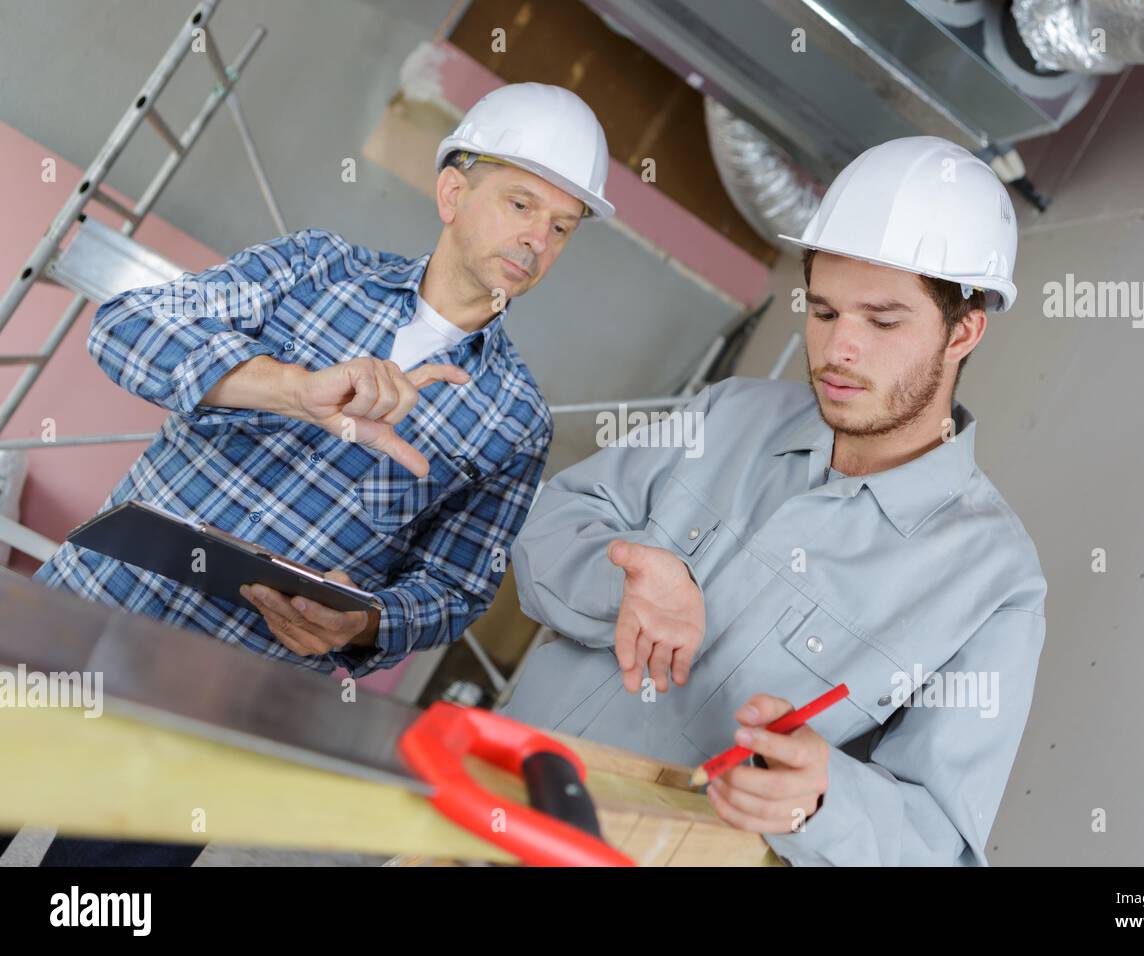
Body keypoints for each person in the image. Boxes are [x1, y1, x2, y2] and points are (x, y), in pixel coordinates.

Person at [15, 82, 614, 866]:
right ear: (452, 191)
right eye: (521, 204)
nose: (538, 240)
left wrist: (366, 622)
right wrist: (289, 386)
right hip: (83, 623)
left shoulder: (517, 419)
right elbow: (128, 327)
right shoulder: (314, 268)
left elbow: (457, 586)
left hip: (218, 707)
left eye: (563, 227)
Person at [500, 136, 1048, 866]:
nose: (839, 349)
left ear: (963, 330)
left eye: (882, 321)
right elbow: (545, 525)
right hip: (487, 799)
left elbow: (941, 846)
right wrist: (618, 585)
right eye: (823, 313)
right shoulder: (731, 414)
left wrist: (821, 803)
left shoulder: (995, 583)